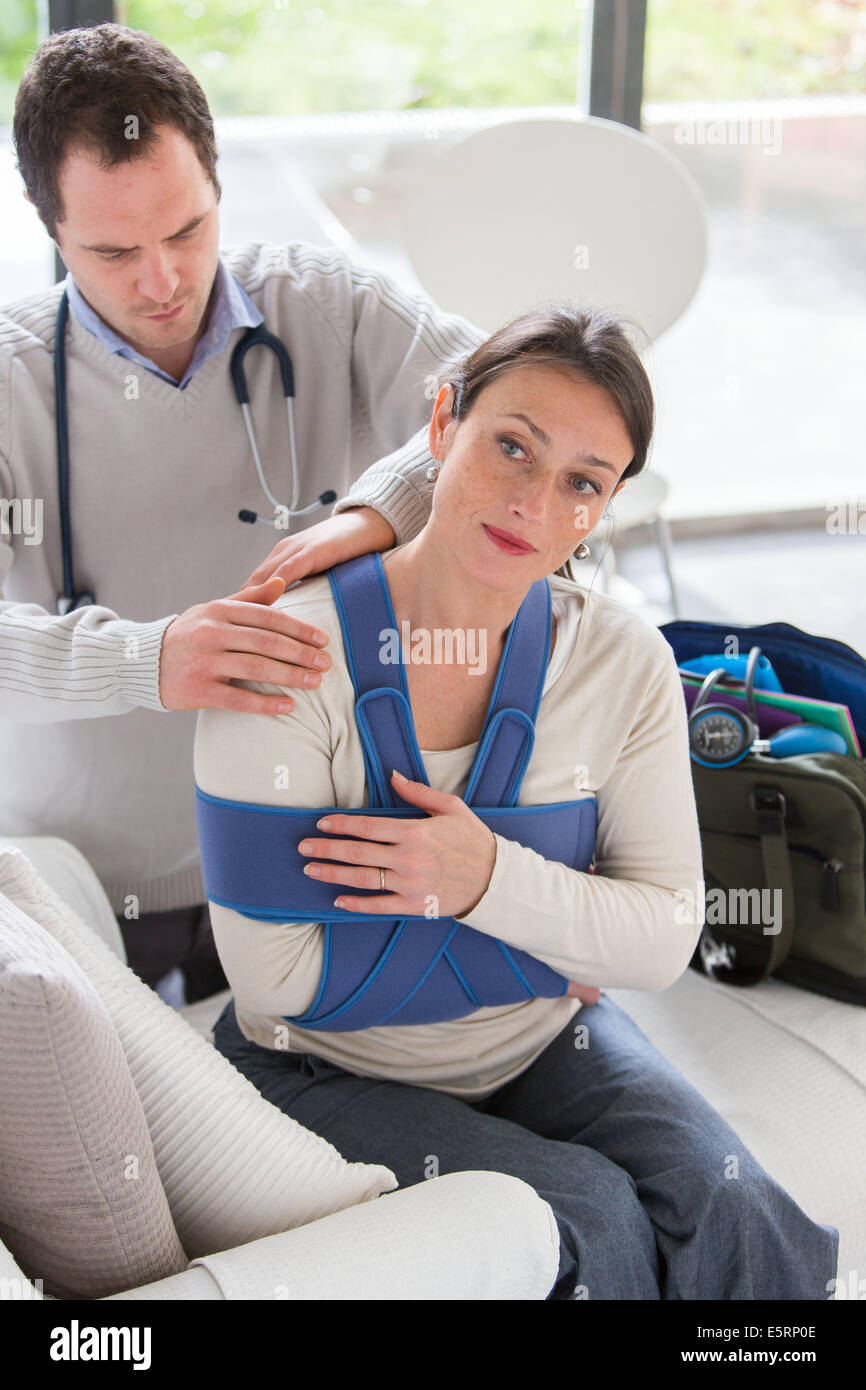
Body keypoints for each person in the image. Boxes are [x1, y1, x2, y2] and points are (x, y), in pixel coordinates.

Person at [195, 305, 840, 1300]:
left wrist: (480, 876)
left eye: (581, 482)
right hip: (318, 1067)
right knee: (584, 1211)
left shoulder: (621, 661)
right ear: (442, 425)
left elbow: (664, 938)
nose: (534, 503)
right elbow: (280, 980)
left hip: (544, 1040)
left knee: (736, 1205)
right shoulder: (290, 655)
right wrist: (561, 926)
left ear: (605, 506)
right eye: (511, 446)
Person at [0, 23, 487, 1003]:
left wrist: (379, 510)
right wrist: (147, 660)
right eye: (111, 251)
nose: (162, 280)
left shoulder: (322, 308)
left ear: (218, 182)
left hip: (308, 851)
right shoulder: (11, 385)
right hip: (86, 888)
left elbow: (515, 410)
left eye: (186, 230)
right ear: (49, 229)